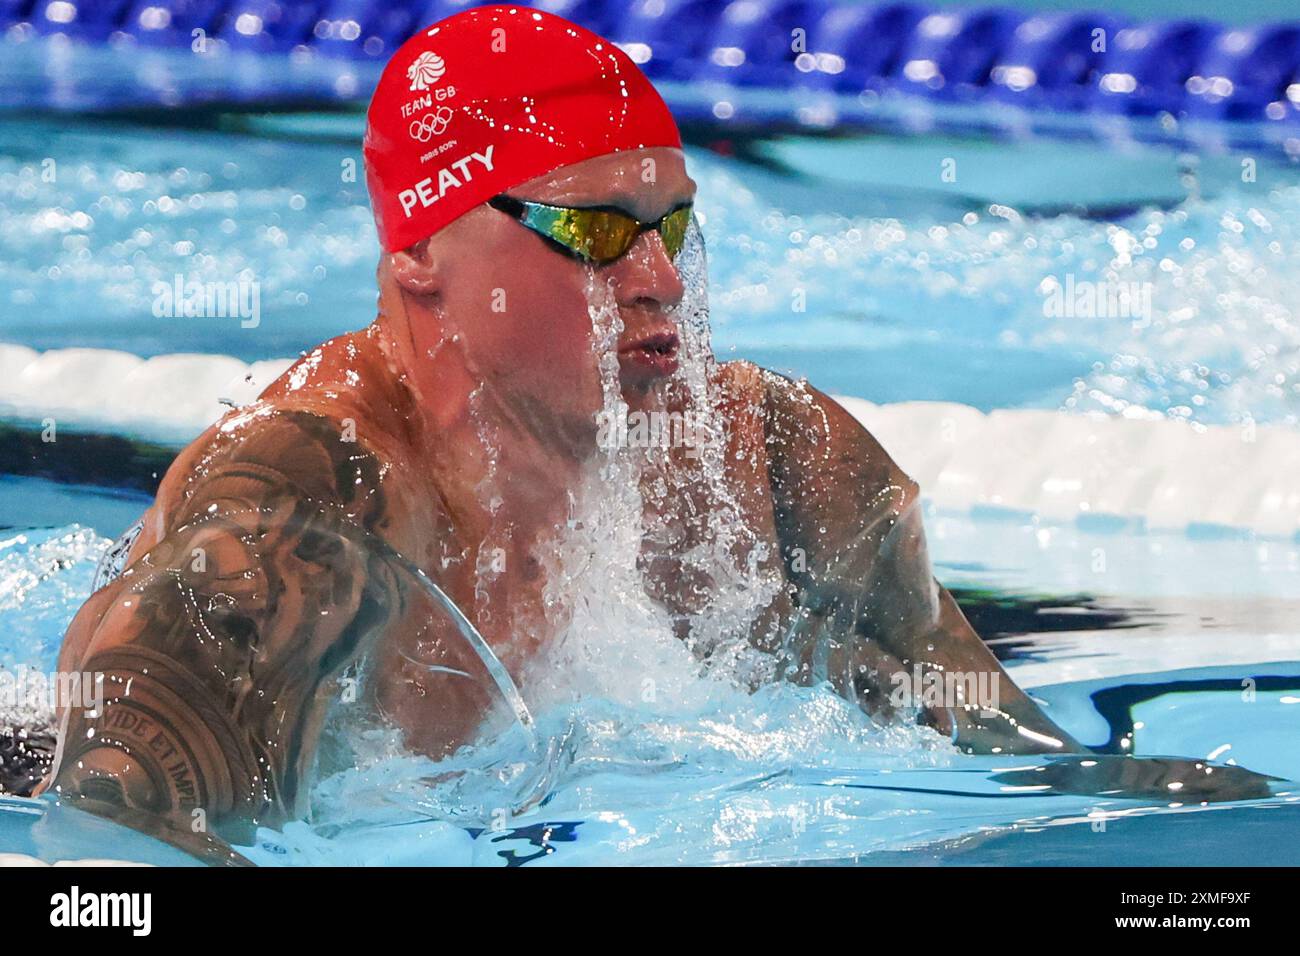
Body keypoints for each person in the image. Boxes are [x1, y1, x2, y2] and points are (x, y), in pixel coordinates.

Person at [38, 6, 1273, 847]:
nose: (658, 279)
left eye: (671, 221)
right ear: (419, 249)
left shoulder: (780, 474)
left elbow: (1030, 767)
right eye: (591, 229)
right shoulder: (303, 515)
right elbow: (109, 864)